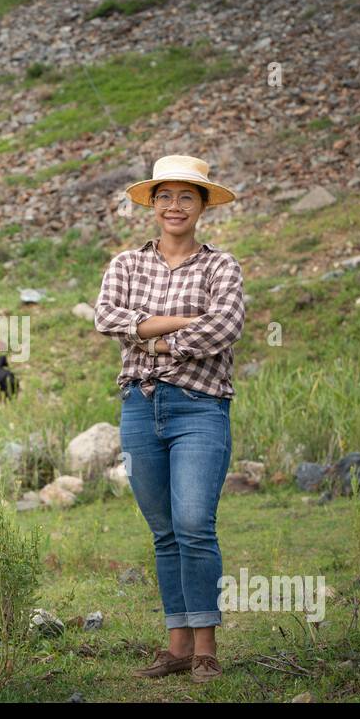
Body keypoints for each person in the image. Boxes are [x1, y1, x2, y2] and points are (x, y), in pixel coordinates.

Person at [94, 155, 244, 683]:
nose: (174, 206)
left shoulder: (221, 266)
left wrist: (154, 338)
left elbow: (224, 327)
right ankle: (176, 646)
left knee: (194, 525)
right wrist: (183, 326)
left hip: (200, 408)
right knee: (163, 530)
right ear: (152, 204)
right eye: (165, 196)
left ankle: (206, 649)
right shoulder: (125, 264)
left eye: (187, 196)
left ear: (203, 205)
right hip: (140, 407)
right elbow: (107, 317)